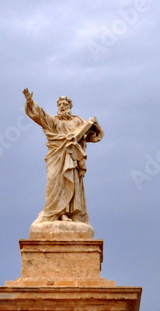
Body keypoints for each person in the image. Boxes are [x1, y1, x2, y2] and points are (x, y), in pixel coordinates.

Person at [23, 88, 103, 224]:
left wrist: (95, 126)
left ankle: (69, 213)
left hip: (72, 156)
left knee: (71, 182)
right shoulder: (53, 121)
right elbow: (40, 115)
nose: (62, 106)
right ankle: (54, 212)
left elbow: (90, 136)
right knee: (53, 181)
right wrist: (30, 101)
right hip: (56, 155)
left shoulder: (77, 121)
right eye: (59, 104)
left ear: (70, 106)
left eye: (64, 104)